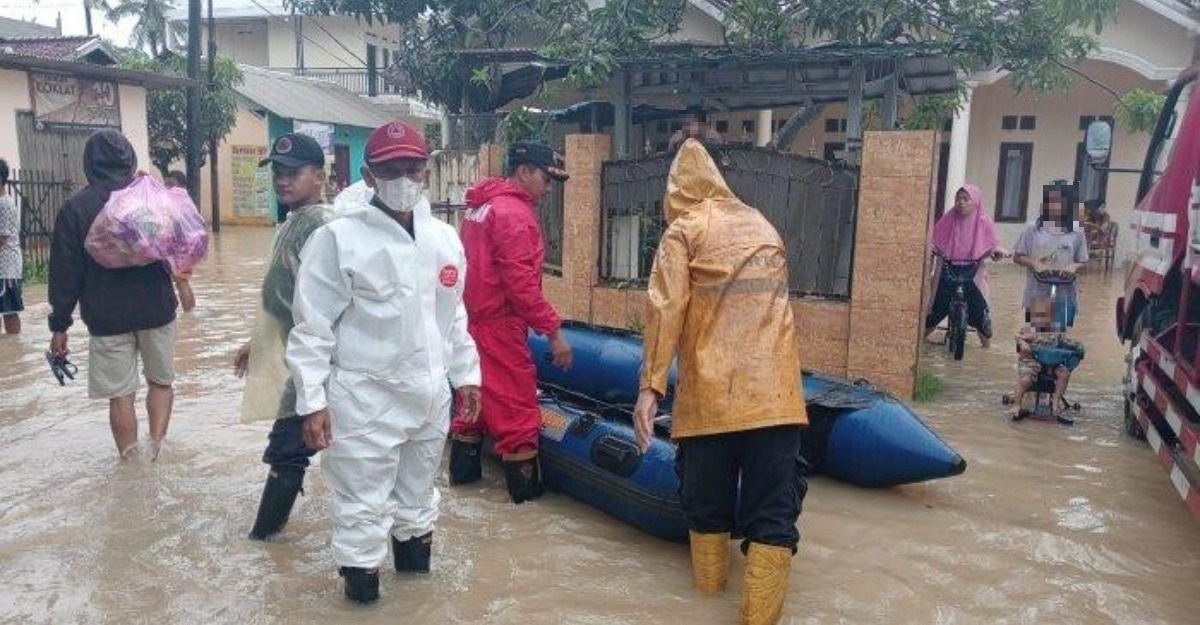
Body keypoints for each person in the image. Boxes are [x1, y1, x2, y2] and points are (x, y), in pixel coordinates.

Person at [287, 121, 481, 604]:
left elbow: (453, 314)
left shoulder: (443, 238)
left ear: (427, 169)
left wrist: (467, 376)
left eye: (412, 167)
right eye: (390, 168)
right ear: (369, 175)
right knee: (361, 513)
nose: (403, 177)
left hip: (429, 397)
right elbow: (312, 330)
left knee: (419, 506)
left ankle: (418, 606)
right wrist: (312, 403)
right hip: (363, 401)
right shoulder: (337, 241)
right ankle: (365, 606)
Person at [632, 139, 808, 625]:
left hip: (712, 400)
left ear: (675, 192)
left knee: (706, 509)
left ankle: (707, 602)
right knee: (773, 515)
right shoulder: (762, 224)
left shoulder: (684, 231)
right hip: (778, 399)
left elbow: (665, 309)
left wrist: (650, 388)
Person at [449, 141, 573, 504]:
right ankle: (526, 505)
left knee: (471, 407)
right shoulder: (514, 215)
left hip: (470, 324)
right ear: (524, 172)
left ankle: (464, 485)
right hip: (499, 326)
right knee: (519, 415)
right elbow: (520, 285)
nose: (549, 187)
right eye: (546, 177)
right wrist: (553, 332)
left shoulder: (480, 208)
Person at [48, 130, 179, 460]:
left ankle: (130, 461)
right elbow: (178, 248)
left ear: (88, 164)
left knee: (120, 394)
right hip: (156, 308)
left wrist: (59, 325)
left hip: (106, 316)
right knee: (160, 381)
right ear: (130, 160)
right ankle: (158, 449)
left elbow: (65, 274)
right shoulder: (151, 199)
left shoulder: (75, 209)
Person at [234, 133, 335, 541]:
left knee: (287, 452)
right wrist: (256, 343)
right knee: (297, 449)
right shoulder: (296, 222)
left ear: (320, 176)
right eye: (278, 172)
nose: (282, 180)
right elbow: (283, 297)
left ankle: (263, 544)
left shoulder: (320, 226)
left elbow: (320, 304)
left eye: (293, 173)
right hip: (303, 356)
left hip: (319, 360)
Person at [924, 184, 1008, 347]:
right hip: (948, 269)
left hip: (973, 270)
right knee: (935, 309)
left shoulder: (984, 221)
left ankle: (986, 349)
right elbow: (935, 241)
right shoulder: (948, 219)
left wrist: (997, 252)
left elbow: (991, 245)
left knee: (980, 313)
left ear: (975, 201)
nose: (960, 202)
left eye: (965, 199)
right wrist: (931, 250)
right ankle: (921, 341)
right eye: (958, 199)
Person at [1013, 181, 1089, 319]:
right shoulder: (1033, 229)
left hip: (1065, 290)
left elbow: (1083, 261)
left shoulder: (1077, 232)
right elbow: (1017, 257)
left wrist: (1074, 266)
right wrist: (1034, 264)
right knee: (1039, 333)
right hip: (1038, 288)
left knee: (1059, 335)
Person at [1010, 294, 1086, 421]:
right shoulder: (1029, 330)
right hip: (1032, 361)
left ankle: (1056, 399)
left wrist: (1076, 347)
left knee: (1064, 374)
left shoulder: (1057, 333)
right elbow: (1017, 336)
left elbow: (1066, 342)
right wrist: (1023, 344)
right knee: (1025, 381)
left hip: (1054, 362)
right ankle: (1016, 404)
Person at [161, 170, 196, 312]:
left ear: (181, 185)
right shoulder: (186, 201)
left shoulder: (177, 201)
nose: (168, 188)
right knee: (184, 281)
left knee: (181, 282)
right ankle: (191, 314)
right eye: (166, 184)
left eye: (171, 184)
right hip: (187, 248)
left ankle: (188, 316)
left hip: (179, 249)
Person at [0, 159, 22, 335]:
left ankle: (15, 347)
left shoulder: (4, 204)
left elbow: (2, 239)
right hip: (4, 268)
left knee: (9, 312)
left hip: (6, 269)